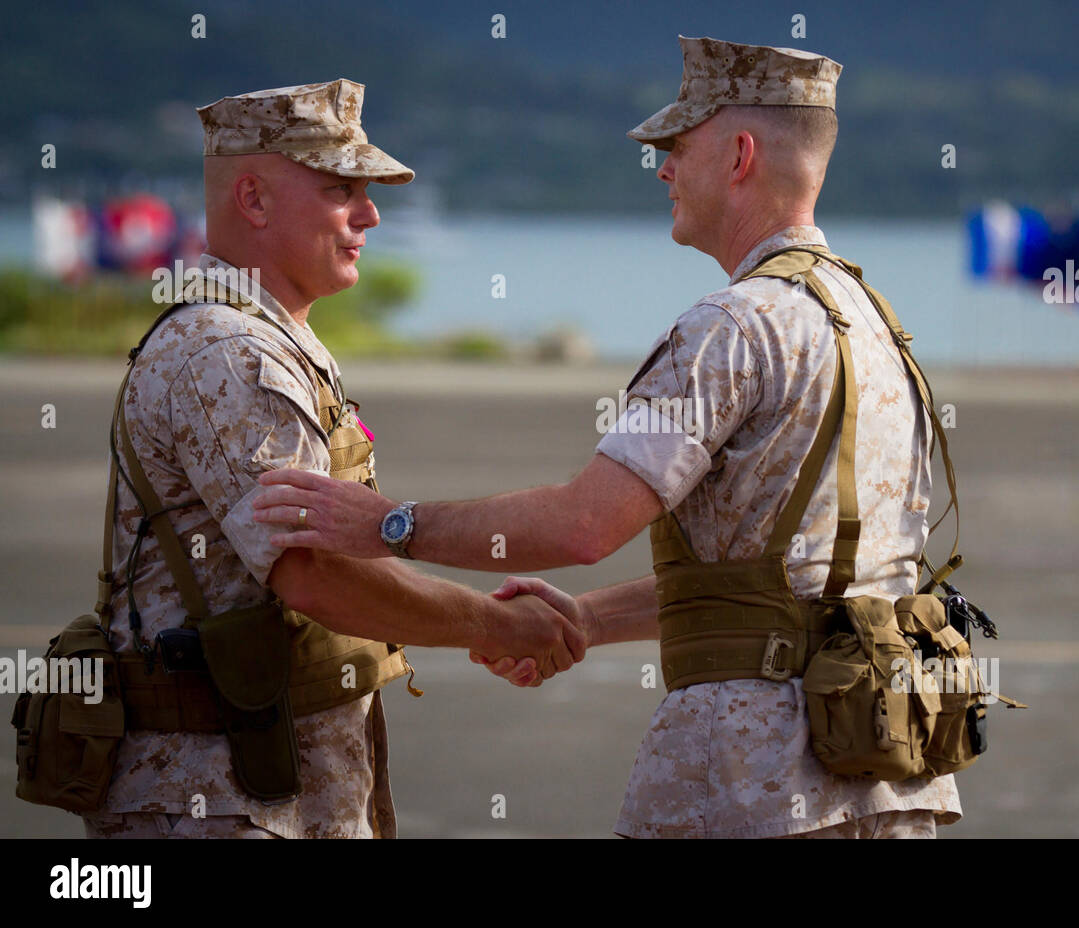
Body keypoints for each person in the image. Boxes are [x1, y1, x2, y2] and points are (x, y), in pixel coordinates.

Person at [253, 40, 960, 838]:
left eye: (676, 149)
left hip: (752, 776)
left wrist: (387, 524)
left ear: (739, 155)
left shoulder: (732, 326)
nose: (662, 170)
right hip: (886, 768)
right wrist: (587, 622)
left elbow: (584, 526)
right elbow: (784, 585)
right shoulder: (875, 323)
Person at [85, 79, 583, 839]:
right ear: (253, 200)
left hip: (265, 785)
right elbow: (312, 572)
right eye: (340, 189)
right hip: (216, 797)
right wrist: (496, 625)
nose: (370, 214)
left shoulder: (269, 338)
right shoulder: (229, 352)